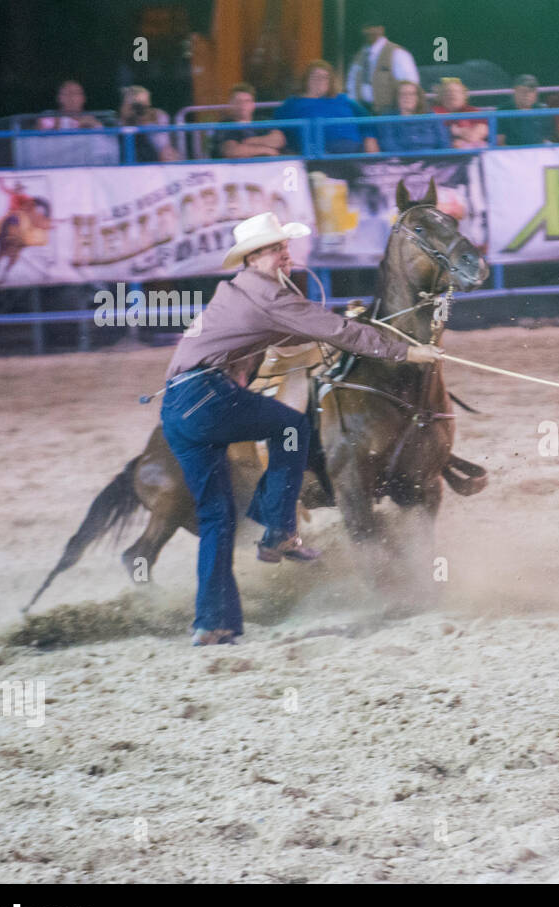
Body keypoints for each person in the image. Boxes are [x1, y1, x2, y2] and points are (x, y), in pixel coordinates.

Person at [160, 212, 443, 646]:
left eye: (285, 248)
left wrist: (350, 325)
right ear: (253, 256)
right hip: (207, 396)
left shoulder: (241, 293)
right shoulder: (267, 294)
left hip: (178, 408)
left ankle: (212, 623)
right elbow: (330, 330)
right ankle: (278, 530)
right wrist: (403, 351)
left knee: (217, 520)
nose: (285, 254)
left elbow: (305, 333)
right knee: (291, 425)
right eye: (276, 248)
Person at [275, 60, 379, 155]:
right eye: (315, 76)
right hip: (321, 152)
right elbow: (277, 131)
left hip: (354, 148)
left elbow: (367, 120)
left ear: (330, 82)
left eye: (325, 77)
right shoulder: (293, 103)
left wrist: (369, 137)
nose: (320, 81)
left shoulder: (343, 99)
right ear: (306, 79)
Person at [345, 20, 420, 114]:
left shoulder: (397, 53)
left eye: (372, 27)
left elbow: (410, 86)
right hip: (362, 113)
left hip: (389, 114)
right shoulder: (359, 56)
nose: (368, 31)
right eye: (366, 28)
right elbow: (351, 86)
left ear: (381, 29)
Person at [208, 84, 286, 158]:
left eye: (247, 101)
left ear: (253, 104)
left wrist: (251, 141)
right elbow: (232, 151)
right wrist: (267, 150)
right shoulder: (225, 125)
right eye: (238, 101)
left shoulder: (262, 120)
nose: (242, 105)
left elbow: (279, 141)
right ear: (231, 104)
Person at [378, 81, 451, 153]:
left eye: (412, 94)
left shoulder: (431, 116)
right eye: (403, 94)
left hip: (431, 161)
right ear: (396, 98)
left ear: (418, 98)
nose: (407, 97)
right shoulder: (388, 118)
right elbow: (388, 145)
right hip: (401, 162)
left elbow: (443, 142)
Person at [118, 85, 180, 162]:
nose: (140, 108)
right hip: (135, 153)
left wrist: (147, 118)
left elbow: (164, 144)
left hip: (158, 153)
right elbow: (123, 131)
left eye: (144, 104)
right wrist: (128, 115)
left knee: (169, 154)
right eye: (136, 104)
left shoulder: (158, 115)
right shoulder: (126, 117)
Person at [496, 74, 553, 146]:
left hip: (538, 152)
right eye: (523, 91)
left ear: (536, 93)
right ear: (515, 91)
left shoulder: (542, 111)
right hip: (511, 153)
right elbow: (500, 142)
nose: (527, 94)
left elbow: (546, 139)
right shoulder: (502, 111)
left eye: (531, 91)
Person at [432, 78, 489, 148]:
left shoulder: (474, 112)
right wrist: (464, 132)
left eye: (456, 92)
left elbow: (474, 136)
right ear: (440, 96)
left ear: (464, 96)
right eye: (447, 92)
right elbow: (432, 137)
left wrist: (457, 131)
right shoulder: (432, 112)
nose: (452, 94)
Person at [36, 80, 102, 130]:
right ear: (59, 98)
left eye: (75, 93)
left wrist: (95, 126)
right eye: (67, 93)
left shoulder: (91, 119)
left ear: (83, 98)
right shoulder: (49, 116)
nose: (71, 97)